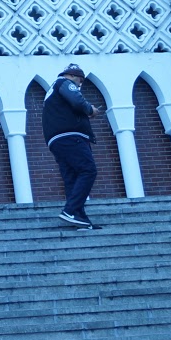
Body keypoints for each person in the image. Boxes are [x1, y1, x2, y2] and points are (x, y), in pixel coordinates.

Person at [43, 63, 102, 229]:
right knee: (88, 170)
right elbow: (77, 101)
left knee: (72, 178)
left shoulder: (53, 92)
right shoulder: (63, 82)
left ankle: (79, 217)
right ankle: (70, 210)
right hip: (71, 137)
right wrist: (90, 110)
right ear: (73, 75)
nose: (80, 85)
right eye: (80, 81)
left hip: (57, 140)